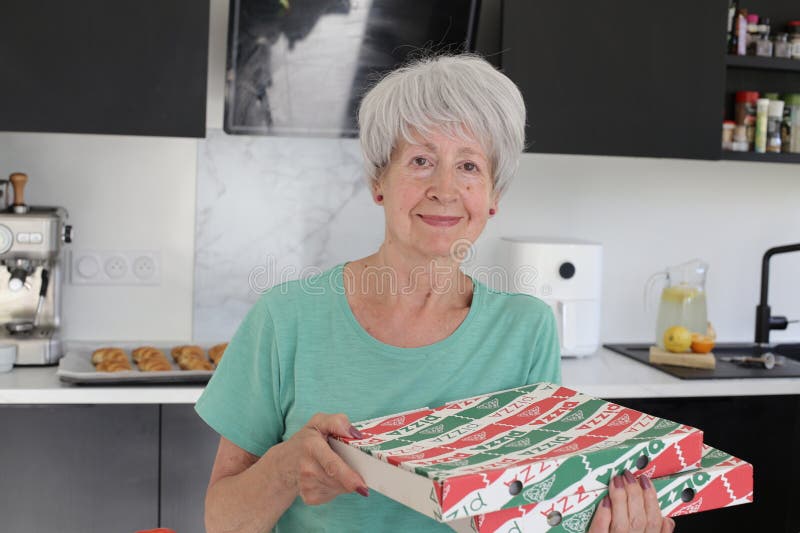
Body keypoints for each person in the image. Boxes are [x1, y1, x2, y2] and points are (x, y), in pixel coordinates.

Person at [195, 53, 676, 533]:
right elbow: (222, 523)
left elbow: (534, 514)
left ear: (493, 197)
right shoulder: (285, 320)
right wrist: (284, 469)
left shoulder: (526, 330)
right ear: (378, 181)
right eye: (421, 161)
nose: (445, 189)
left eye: (468, 166)